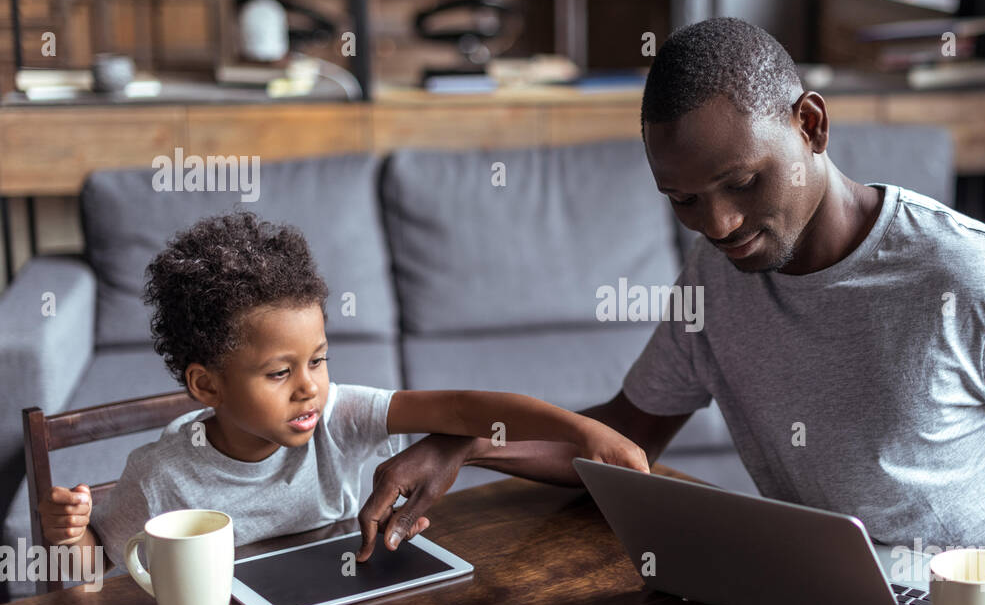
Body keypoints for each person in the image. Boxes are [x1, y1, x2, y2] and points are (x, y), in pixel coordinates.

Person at [351, 17, 985, 605]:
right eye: (683, 199)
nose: (720, 223)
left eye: (743, 182)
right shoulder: (715, 274)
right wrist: (468, 440)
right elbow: (625, 434)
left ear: (812, 125)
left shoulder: (968, 277)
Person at [37, 212, 648, 573]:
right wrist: (72, 538)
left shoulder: (336, 415)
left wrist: (583, 429)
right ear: (207, 385)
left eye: (319, 360)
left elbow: (463, 409)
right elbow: (106, 566)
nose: (309, 387)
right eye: (279, 373)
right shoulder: (161, 477)